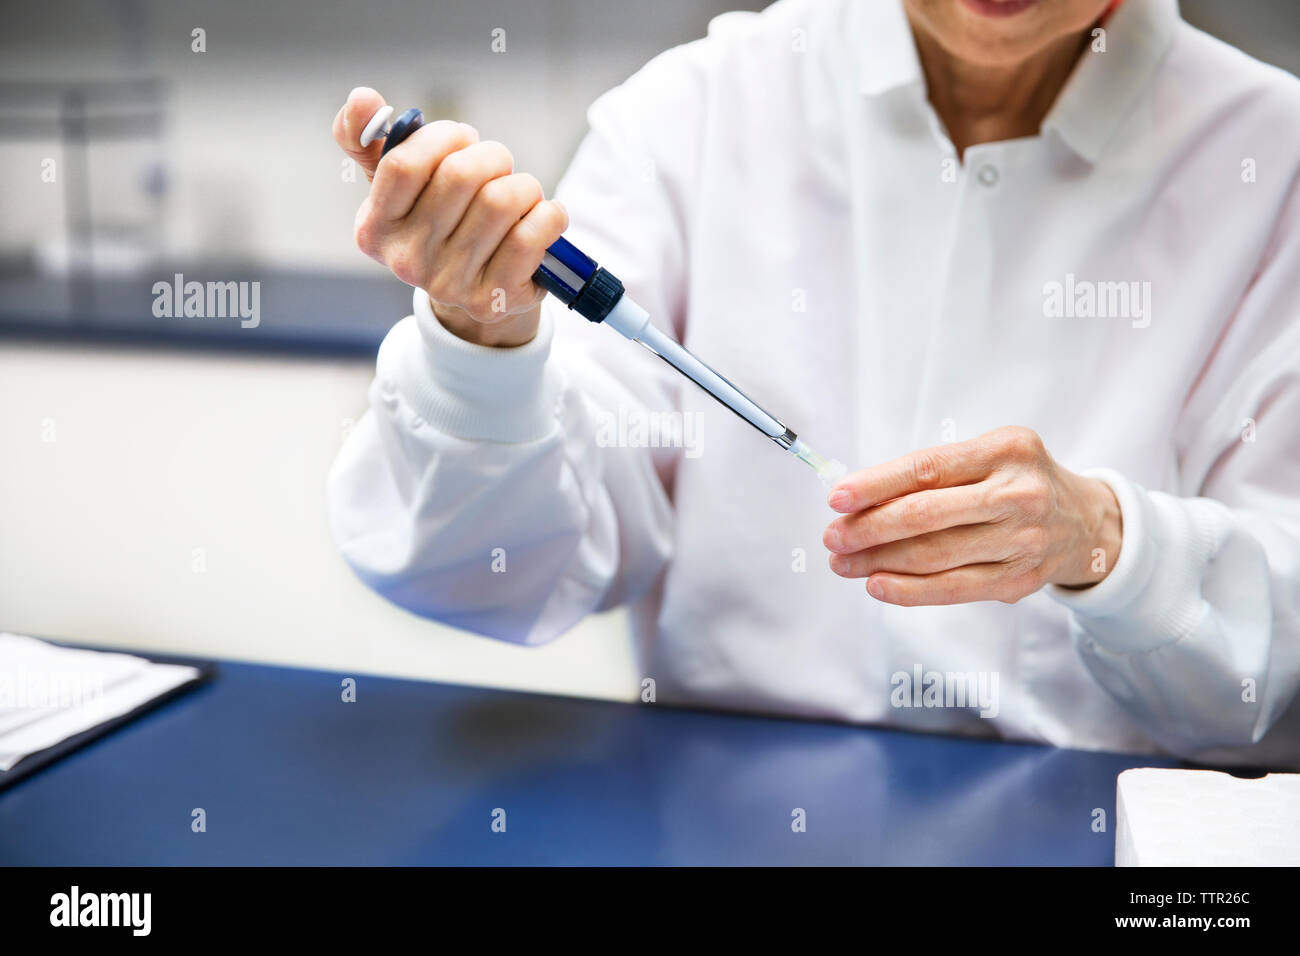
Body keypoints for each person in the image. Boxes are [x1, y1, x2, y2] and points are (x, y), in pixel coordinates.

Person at [327, 0, 1300, 765]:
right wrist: (481, 341)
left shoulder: (1270, 159)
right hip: (720, 819)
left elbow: (1273, 674)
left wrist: (1108, 544)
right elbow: (487, 570)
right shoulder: (698, 107)